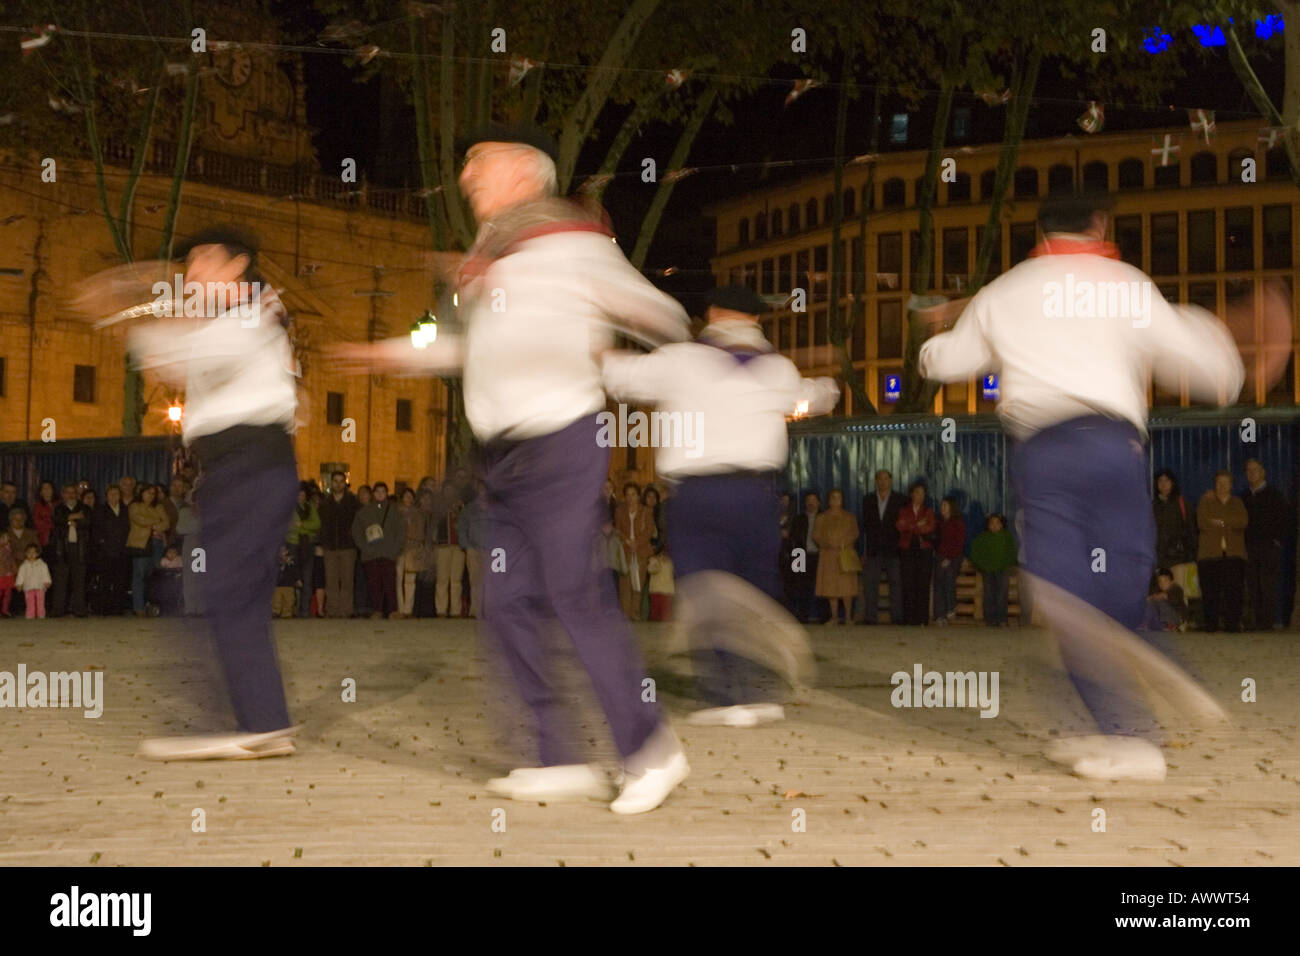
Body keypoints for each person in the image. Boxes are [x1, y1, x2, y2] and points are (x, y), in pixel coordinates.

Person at [329, 122, 692, 813]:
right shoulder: (487, 260)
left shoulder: (570, 241)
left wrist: (607, 336)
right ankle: (554, 756)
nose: (465, 176)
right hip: (501, 456)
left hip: (561, 440)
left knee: (572, 592)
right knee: (504, 601)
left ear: (527, 173)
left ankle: (651, 749)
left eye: (479, 163)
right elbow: (457, 349)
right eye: (466, 165)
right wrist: (387, 355)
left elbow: (662, 314)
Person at [919, 189, 1267, 781]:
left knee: (1064, 594)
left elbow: (947, 363)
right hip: (1115, 445)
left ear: (1039, 230)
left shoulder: (1006, 290)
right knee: (1119, 573)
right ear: (1099, 225)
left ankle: (1129, 733)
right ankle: (1127, 676)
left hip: (1046, 450)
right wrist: (1232, 359)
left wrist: (935, 335)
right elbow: (1208, 367)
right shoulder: (1128, 285)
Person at [110, 223, 302, 759]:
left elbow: (170, 357)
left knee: (226, 593)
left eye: (201, 260)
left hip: (251, 463)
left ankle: (260, 723)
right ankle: (262, 722)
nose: (190, 272)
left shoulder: (249, 315)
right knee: (232, 595)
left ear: (236, 267)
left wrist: (125, 303)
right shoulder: (232, 317)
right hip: (234, 470)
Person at [601, 283, 834, 725]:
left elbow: (623, 379)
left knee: (705, 586)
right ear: (757, 321)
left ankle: (724, 693)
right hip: (757, 495)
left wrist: (598, 349)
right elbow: (813, 398)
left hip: (698, 494)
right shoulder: (777, 369)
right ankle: (757, 683)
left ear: (712, 314)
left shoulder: (683, 360)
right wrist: (825, 384)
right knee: (753, 583)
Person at [1197, 469, 1248, 632]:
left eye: (1225, 483)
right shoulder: (1206, 501)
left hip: (1233, 554)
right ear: (1215, 484)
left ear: (1231, 485)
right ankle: (1211, 624)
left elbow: (1243, 521)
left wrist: (1220, 522)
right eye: (1219, 483)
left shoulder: (1237, 502)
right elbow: (1203, 522)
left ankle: (1232, 624)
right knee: (1210, 591)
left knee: (1233, 590)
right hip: (1210, 554)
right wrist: (1227, 523)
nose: (1222, 486)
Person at [1242, 459, 1289, 630]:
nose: (1252, 473)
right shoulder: (1244, 497)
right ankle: (1257, 621)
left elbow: (1284, 519)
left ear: (1263, 472)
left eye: (1255, 470)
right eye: (1248, 470)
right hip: (1250, 548)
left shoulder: (1274, 495)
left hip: (1269, 547)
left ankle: (1267, 624)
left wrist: (1276, 541)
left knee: (1267, 585)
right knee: (1253, 585)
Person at [352, 481, 404, 619]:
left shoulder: (395, 511)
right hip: (371, 554)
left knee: (390, 583)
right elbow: (356, 532)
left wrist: (395, 549)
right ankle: (377, 610)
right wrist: (364, 547)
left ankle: (393, 610)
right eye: (377, 491)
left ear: (386, 494)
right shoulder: (364, 512)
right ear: (373, 494)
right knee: (374, 584)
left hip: (389, 553)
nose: (380, 494)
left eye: (383, 492)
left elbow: (401, 531)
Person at [861, 470, 906, 625]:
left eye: (886, 478)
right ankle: (870, 617)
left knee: (896, 584)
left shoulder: (900, 499)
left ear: (891, 480)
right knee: (871, 584)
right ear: (876, 481)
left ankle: (897, 617)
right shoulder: (868, 500)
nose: (882, 481)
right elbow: (865, 527)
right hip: (874, 549)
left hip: (894, 549)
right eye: (880, 478)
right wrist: (864, 551)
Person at [813, 489, 860, 626]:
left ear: (842, 500)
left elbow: (855, 533)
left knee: (847, 588)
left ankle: (848, 618)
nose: (836, 500)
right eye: (833, 497)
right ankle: (834, 618)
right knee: (831, 587)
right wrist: (827, 543)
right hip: (828, 555)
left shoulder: (850, 517)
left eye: (838, 497)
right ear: (829, 500)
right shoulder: (821, 517)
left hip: (845, 554)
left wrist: (845, 542)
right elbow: (816, 535)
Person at [318, 471, 360, 619]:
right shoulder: (325, 503)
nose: (338, 484)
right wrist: (321, 543)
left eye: (341, 481)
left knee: (347, 579)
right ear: (331, 483)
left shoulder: (353, 502)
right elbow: (321, 525)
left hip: (348, 546)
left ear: (345, 483)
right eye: (335, 481)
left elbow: (358, 524)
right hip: (330, 546)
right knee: (331, 580)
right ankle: (332, 610)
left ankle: (346, 610)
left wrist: (354, 539)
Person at [896, 480, 936, 625]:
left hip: (923, 549)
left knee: (923, 584)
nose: (920, 496)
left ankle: (922, 619)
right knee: (908, 583)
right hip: (907, 549)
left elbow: (930, 528)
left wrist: (911, 526)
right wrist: (917, 525)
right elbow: (900, 526)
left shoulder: (928, 511)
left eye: (923, 493)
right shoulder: (903, 510)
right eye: (917, 493)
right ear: (911, 494)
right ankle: (909, 618)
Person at [613, 481, 654, 621]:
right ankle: (625, 615)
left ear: (638, 496)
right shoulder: (619, 511)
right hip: (625, 550)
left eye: (633, 494)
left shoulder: (646, 511)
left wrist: (637, 542)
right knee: (624, 584)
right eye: (628, 495)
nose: (630, 498)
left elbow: (649, 531)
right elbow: (617, 530)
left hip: (641, 550)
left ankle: (635, 614)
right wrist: (626, 541)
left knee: (637, 584)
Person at [127, 484, 169, 616]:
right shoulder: (134, 506)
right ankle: (138, 608)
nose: (150, 496)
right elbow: (139, 520)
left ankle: (151, 605)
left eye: (153, 493)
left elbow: (167, 523)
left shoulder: (159, 506)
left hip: (157, 543)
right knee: (139, 575)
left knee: (153, 575)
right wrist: (156, 523)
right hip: (141, 544)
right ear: (142, 493)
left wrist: (154, 526)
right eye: (148, 493)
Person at [50, 483, 91, 617]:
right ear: (63, 494)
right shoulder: (58, 508)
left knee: (79, 582)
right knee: (60, 582)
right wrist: (72, 518)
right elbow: (56, 520)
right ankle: (58, 611)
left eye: (73, 492)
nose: (70, 495)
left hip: (80, 549)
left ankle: (79, 610)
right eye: (67, 492)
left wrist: (75, 522)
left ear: (77, 494)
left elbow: (88, 522)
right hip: (62, 548)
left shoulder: (84, 508)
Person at [90, 485, 131, 615]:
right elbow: (95, 530)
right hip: (105, 551)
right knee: (105, 580)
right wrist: (102, 543)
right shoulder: (100, 510)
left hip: (122, 550)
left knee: (120, 580)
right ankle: (104, 609)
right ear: (106, 496)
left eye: (116, 494)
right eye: (111, 494)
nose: (114, 496)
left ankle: (118, 608)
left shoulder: (125, 510)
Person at [970, 513, 1015, 626]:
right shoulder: (983, 538)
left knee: (1002, 594)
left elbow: (1012, 552)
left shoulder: (1007, 537)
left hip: (1003, 569)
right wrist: (982, 566)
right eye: (992, 523)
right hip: (988, 570)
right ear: (988, 525)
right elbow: (975, 553)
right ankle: (990, 619)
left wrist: (1007, 564)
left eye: (997, 523)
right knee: (989, 594)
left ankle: (1002, 619)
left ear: (1002, 525)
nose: (994, 526)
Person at [431, 480, 465, 619]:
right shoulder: (438, 506)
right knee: (442, 579)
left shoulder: (461, 505)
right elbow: (433, 524)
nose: (449, 492)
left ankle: (455, 611)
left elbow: (465, 523)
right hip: (443, 545)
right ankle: (441, 610)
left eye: (452, 489)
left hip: (458, 546)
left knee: (456, 580)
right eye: (447, 489)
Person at [287, 482, 321, 618]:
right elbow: (289, 526)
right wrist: (306, 528)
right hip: (293, 544)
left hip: (308, 545)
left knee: (307, 577)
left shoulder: (310, 507)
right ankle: (291, 609)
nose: (300, 497)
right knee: (294, 577)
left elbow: (317, 524)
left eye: (302, 494)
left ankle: (305, 610)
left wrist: (301, 525)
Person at [396, 487, 430, 619]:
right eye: (406, 496)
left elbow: (421, 532)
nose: (408, 499)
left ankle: (408, 609)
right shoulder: (396, 512)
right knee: (398, 579)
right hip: (399, 549)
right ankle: (400, 608)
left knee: (410, 580)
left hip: (413, 548)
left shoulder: (418, 514)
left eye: (410, 497)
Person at [789, 492, 822, 623]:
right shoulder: (799, 518)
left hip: (819, 555)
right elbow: (794, 538)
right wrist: (795, 560)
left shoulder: (823, 517)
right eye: (808, 500)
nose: (811, 503)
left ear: (819, 502)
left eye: (814, 500)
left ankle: (823, 616)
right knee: (801, 586)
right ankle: (802, 615)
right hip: (801, 555)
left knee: (821, 586)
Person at [933, 496, 966, 625]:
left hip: (954, 556)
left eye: (945, 506)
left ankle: (950, 606)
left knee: (948, 576)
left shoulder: (958, 523)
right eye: (941, 506)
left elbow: (959, 544)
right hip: (940, 556)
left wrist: (949, 558)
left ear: (951, 508)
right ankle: (940, 615)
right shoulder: (939, 523)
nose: (942, 508)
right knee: (939, 582)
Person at [457, 480, 486, 619]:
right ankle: (475, 610)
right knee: (475, 581)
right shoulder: (469, 509)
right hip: (473, 549)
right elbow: (462, 528)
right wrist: (466, 545)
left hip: (496, 551)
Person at [173, 491, 204, 616]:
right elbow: (180, 529)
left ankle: (202, 608)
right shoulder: (185, 511)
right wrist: (198, 523)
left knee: (203, 577)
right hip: (192, 546)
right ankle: (191, 608)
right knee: (191, 577)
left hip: (206, 546)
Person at [1143, 567, 1188, 632]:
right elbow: (1153, 598)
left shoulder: (1176, 588)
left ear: (1172, 581)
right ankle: (1147, 623)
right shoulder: (1159, 590)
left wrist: (1166, 596)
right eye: (1160, 581)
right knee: (1151, 603)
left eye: (1165, 580)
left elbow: (1176, 602)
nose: (1162, 584)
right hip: (1164, 618)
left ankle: (1170, 625)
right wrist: (1151, 598)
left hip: (1177, 617)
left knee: (1162, 602)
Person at [16, 543, 51, 619]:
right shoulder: (24, 566)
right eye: (29, 552)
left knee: (40, 602)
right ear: (26, 554)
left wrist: (47, 581)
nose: (31, 554)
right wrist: (19, 584)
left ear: (37, 554)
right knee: (29, 602)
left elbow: (45, 574)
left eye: (33, 552)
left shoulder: (42, 565)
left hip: (40, 587)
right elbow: (20, 576)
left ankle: (41, 615)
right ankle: (30, 616)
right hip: (28, 587)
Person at [646, 544, 675, 622]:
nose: (666, 553)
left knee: (665, 611)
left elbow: (671, 575)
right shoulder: (654, 560)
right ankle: (653, 625)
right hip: (656, 590)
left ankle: (664, 626)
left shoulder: (669, 562)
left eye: (667, 552)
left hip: (667, 591)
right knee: (655, 610)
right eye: (664, 551)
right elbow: (651, 570)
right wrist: (658, 561)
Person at [272, 545, 299, 619]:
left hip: (289, 584)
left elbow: (295, 571)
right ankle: (276, 612)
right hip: (278, 584)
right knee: (277, 600)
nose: (282, 553)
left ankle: (287, 613)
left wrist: (297, 579)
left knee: (289, 600)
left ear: (287, 551)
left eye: (284, 550)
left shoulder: (291, 561)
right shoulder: (276, 561)